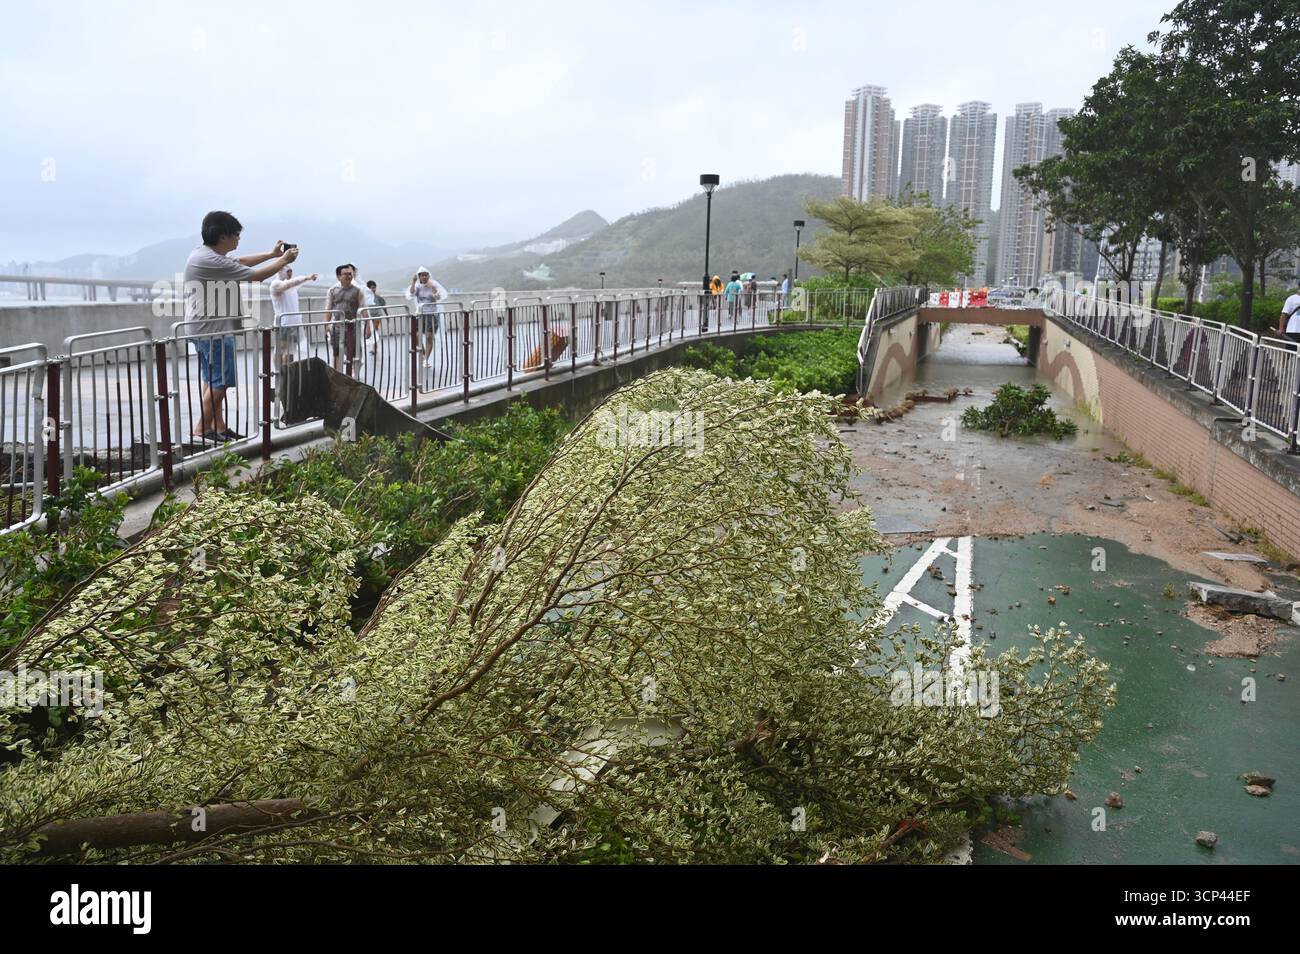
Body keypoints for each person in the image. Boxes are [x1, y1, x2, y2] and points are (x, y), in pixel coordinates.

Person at [183, 210, 298, 442]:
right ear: (223, 236)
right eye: (236, 234)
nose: (239, 239)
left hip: (204, 329)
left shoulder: (204, 254)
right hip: (212, 331)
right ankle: (200, 430)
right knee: (221, 381)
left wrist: (271, 254)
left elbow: (242, 262)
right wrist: (283, 261)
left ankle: (218, 427)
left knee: (212, 380)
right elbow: (255, 277)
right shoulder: (209, 259)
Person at [271, 266, 318, 369]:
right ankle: (281, 373)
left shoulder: (290, 286)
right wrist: (306, 278)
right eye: (288, 271)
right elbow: (289, 284)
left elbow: (293, 284)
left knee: (290, 350)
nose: (290, 274)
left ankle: (287, 374)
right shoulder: (276, 284)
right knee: (282, 350)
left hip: (293, 322)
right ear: (280, 272)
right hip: (284, 323)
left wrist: (306, 279)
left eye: (291, 271)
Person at [326, 264, 364, 373]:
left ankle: (353, 377)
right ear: (338, 276)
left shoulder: (358, 291)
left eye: (350, 274)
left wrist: (368, 328)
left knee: (354, 354)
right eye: (345, 274)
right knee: (337, 354)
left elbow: (363, 309)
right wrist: (326, 325)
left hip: (353, 328)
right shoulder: (333, 291)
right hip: (337, 328)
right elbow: (328, 309)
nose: (348, 276)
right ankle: (337, 376)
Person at [407, 266, 442, 363]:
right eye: (422, 275)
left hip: (431, 314)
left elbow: (438, 297)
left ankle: (426, 358)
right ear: (419, 276)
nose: (424, 277)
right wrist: (413, 282)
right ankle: (422, 354)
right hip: (421, 314)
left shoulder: (433, 285)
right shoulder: (418, 286)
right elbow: (412, 294)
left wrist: (434, 290)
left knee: (429, 337)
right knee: (417, 336)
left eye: (426, 275)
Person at [365, 279, 385, 353]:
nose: (373, 289)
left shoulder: (377, 297)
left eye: (374, 287)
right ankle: (373, 346)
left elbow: (383, 305)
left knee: (374, 331)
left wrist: (387, 315)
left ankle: (375, 348)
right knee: (370, 332)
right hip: (369, 317)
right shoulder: (365, 298)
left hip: (377, 315)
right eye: (371, 288)